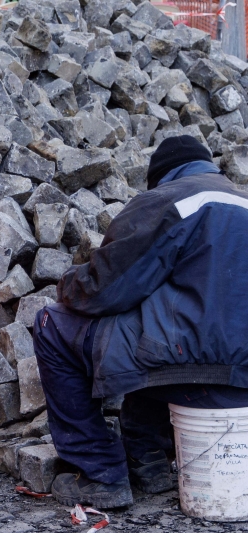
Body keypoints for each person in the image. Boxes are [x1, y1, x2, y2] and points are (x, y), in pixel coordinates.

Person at [32, 134, 248, 508]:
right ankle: (151, 461)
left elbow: (106, 289)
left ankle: (101, 472)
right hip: (239, 385)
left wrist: (66, 282)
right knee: (158, 327)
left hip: (192, 370)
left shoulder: (169, 201)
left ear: (162, 176)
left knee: (54, 324)